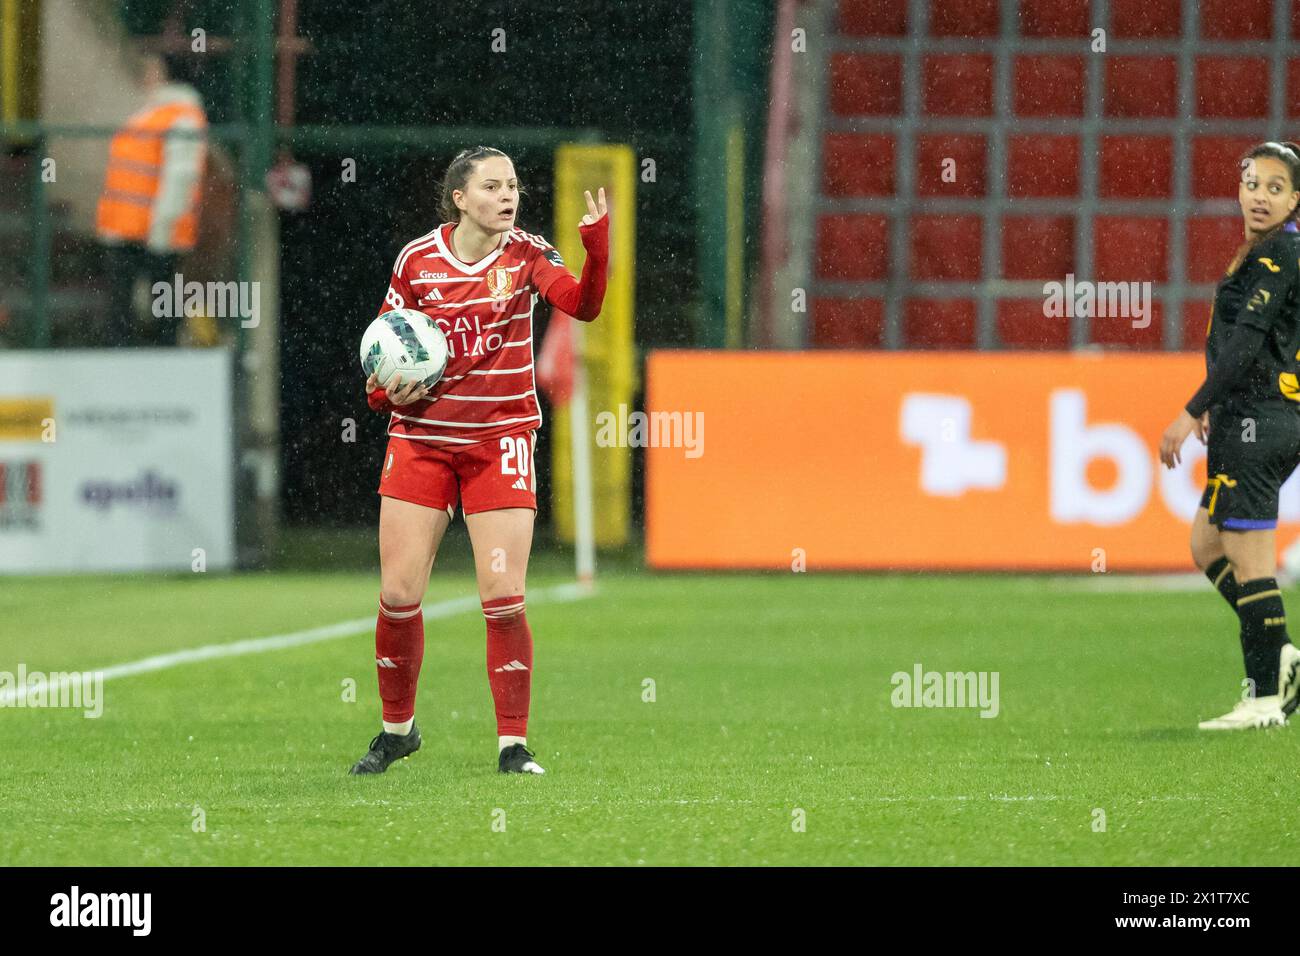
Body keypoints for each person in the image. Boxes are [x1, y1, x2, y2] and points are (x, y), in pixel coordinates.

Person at [350, 146, 609, 775]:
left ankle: (512, 746)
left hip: (500, 442)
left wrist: (596, 249)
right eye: (492, 187)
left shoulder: (526, 253)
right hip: (422, 440)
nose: (508, 196)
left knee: (503, 594)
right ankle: (396, 731)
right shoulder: (417, 260)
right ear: (460, 198)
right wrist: (385, 394)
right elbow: (383, 352)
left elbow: (583, 304)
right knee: (398, 593)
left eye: (513, 186)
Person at [1160, 141, 1300, 729]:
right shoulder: (1261, 251)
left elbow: (1247, 342)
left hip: (1259, 419)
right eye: (1252, 184)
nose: (1260, 196)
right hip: (1248, 414)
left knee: (1250, 562)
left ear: (1295, 199)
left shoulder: (1279, 257)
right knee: (1206, 545)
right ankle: (1285, 654)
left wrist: (1194, 408)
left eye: (1275, 187)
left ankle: (1264, 698)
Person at [95, 52, 207, 347]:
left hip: (155, 232)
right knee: (126, 308)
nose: (146, 74)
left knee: (160, 307)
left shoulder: (179, 115)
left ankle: (160, 363)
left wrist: (163, 226)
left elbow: (180, 176)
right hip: (131, 229)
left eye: (152, 68)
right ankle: (126, 360)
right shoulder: (155, 112)